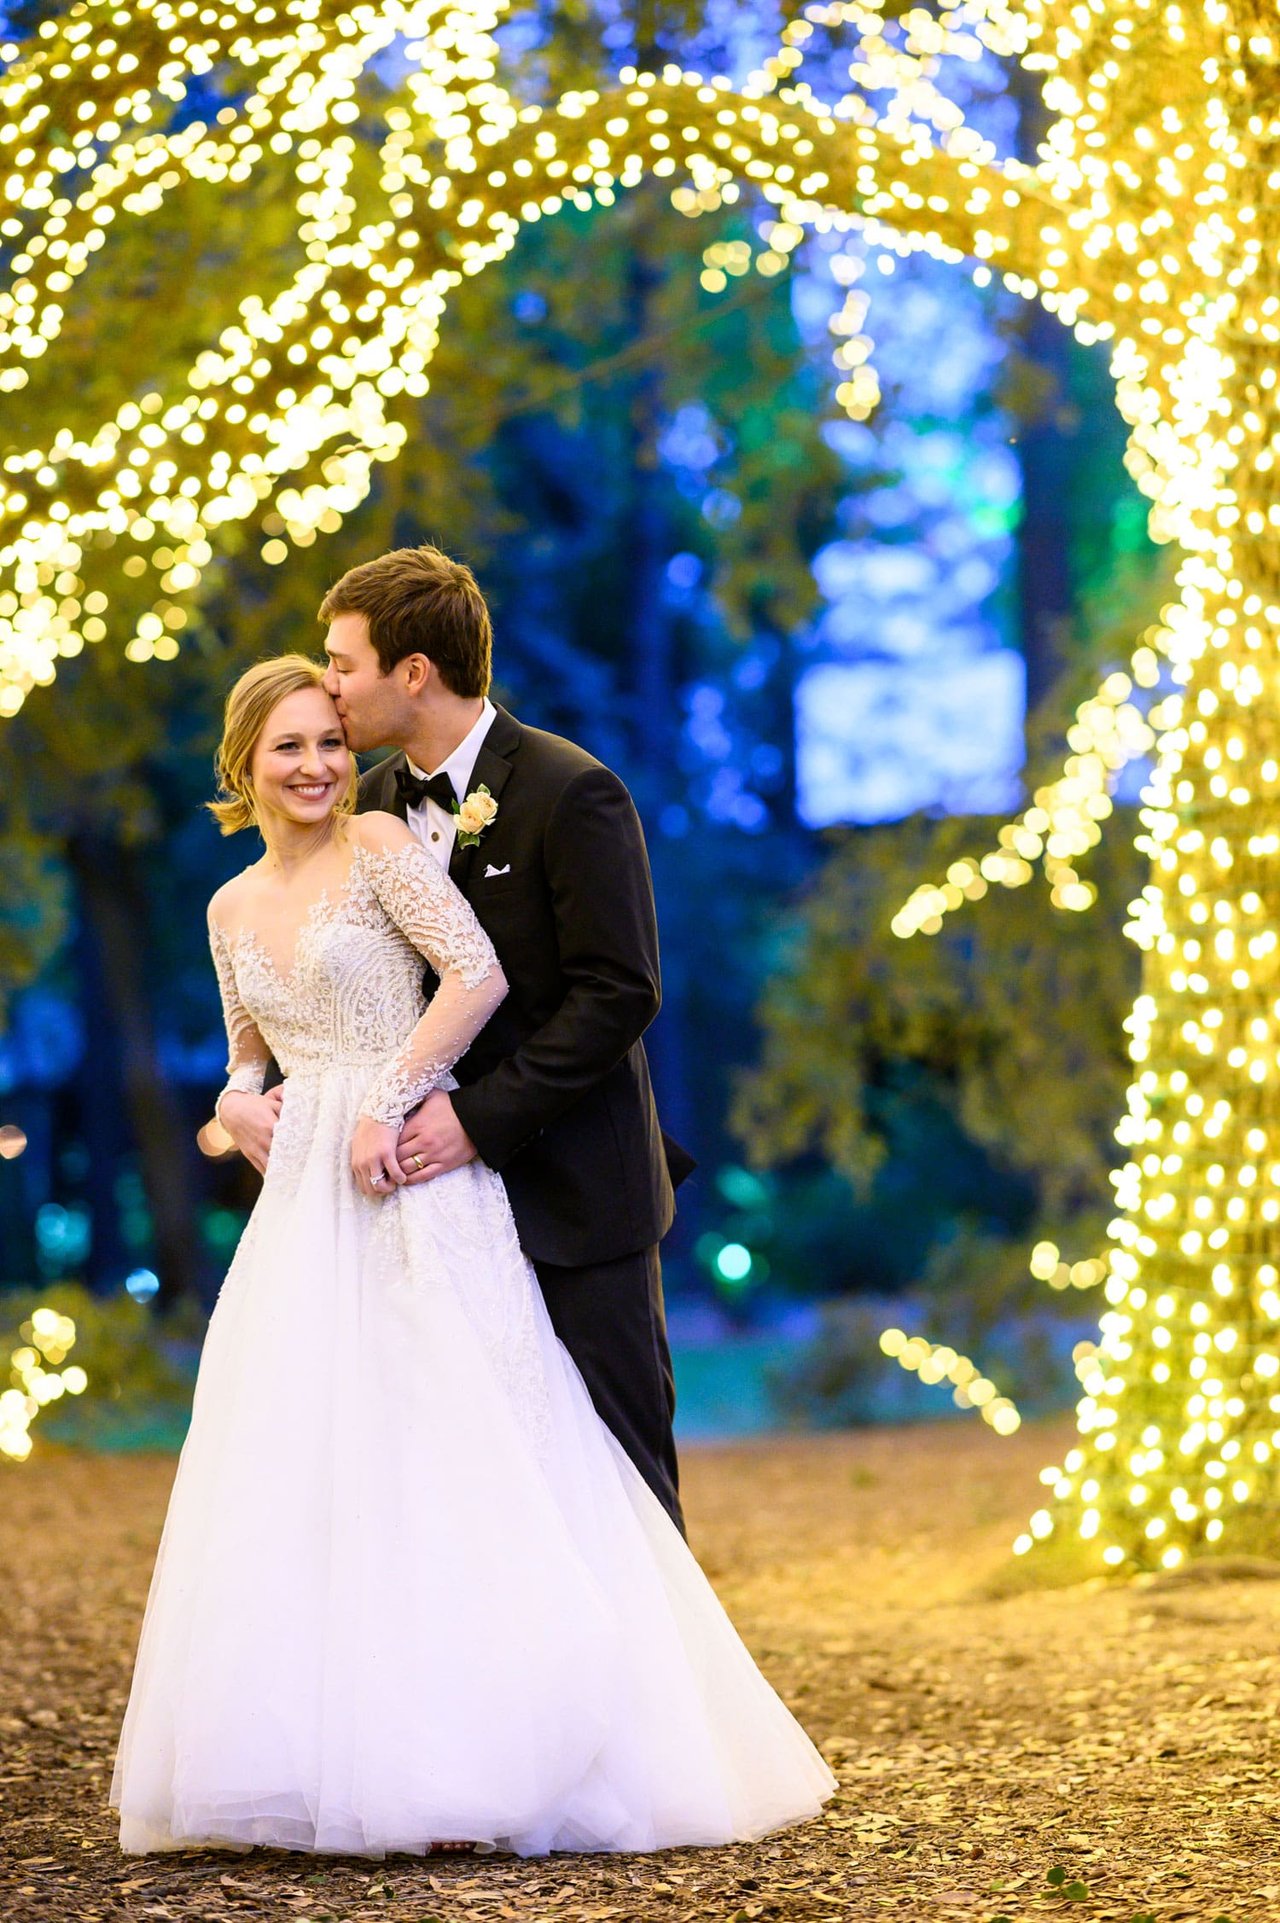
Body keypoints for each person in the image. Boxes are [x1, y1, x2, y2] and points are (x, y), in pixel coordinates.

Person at [108, 654, 836, 1857]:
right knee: (315, 1461)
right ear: (244, 763)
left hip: (412, 1180)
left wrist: (389, 1101)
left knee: (455, 1438)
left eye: (330, 742)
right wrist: (232, 1106)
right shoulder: (227, 907)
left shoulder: (386, 848)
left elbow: (480, 976)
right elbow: (247, 1052)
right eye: (289, 746)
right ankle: (330, 1757)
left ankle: (503, 1753)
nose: (317, 765)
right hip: (301, 1216)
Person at [315, 543, 688, 1531]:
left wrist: (475, 1122)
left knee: (619, 1473)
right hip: (434, 1213)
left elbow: (620, 992)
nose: (327, 686)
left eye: (342, 663)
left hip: (576, 1192)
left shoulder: (573, 791)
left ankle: (654, 1687)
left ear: (413, 674)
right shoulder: (372, 811)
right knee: (473, 1489)